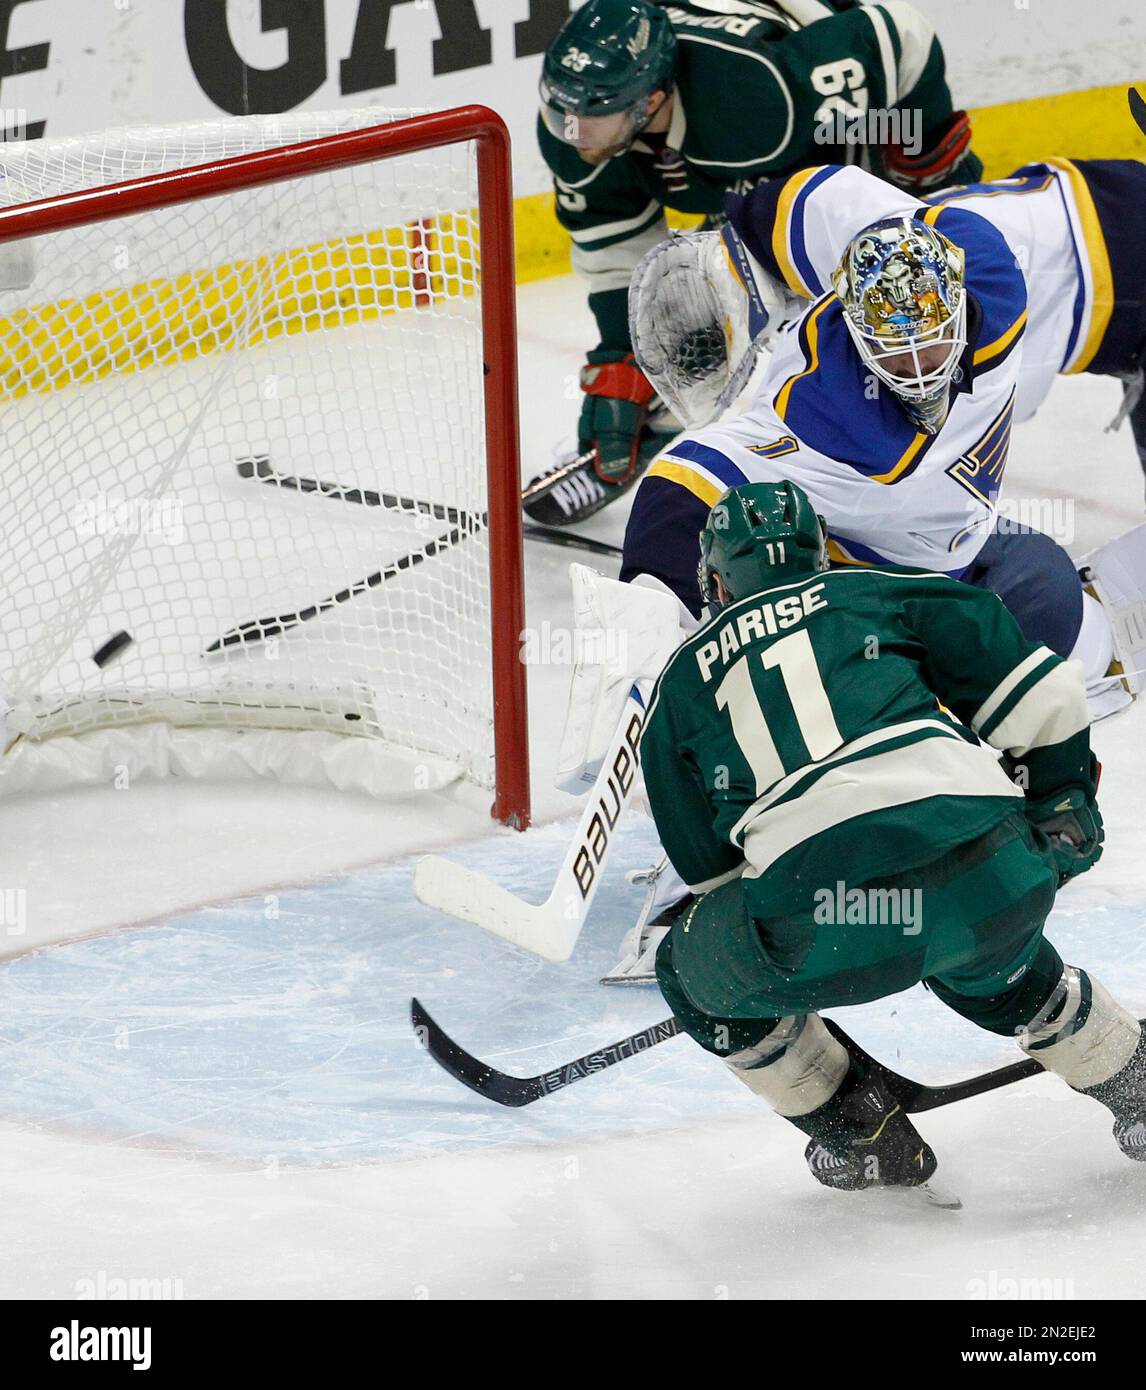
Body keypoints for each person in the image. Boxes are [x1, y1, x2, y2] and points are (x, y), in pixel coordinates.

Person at [640, 479, 1144, 1193]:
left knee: (685, 973)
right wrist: (1063, 810)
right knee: (981, 943)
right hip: (996, 875)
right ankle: (1135, 1080)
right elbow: (1051, 697)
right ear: (818, 557)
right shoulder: (882, 593)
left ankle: (862, 1130)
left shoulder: (678, 690)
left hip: (830, 928)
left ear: (716, 579)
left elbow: (712, 879)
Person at [624, 157, 1146, 726]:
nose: (921, 369)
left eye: (932, 339)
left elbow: (829, 199)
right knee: (937, 688)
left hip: (951, 544)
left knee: (1061, 618)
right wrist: (653, 622)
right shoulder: (832, 414)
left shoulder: (983, 263)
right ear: (854, 326)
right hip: (879, 567)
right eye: (894, 350)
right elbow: (684, 479)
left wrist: (743, 241)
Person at [528, 0, 982, 526]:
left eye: (593, 116)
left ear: (651, 100)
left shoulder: (757, 92)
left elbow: (900, 36)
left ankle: (886, 448)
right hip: (749, 169)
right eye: (564, 110)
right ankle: (651, 422)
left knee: (862, 316)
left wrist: (926, 153)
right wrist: (622, 367)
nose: (573, 132)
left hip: (820, 148)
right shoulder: (575, 131)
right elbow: (616, 260)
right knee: (691, 302)